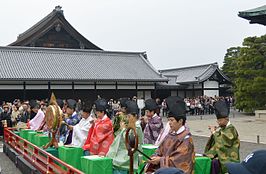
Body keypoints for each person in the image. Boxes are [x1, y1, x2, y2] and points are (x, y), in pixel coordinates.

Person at [147, 96, 194, 174]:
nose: (169, 123)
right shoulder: (170, 134)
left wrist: (160, 160)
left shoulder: (186, 138)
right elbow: (160, 150)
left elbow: (179, 161)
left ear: (180, 121)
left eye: (172, 120)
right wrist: (154, 157)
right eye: (168, 120)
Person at [107, 100, 143, 174]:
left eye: (129, 116)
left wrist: (123, 129)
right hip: (120, 158)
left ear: (135, 116)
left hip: (126, 161)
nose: (127, 118)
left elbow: (130, 142)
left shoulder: (137, 127)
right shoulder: (129, 125)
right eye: (127, 116)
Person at [204, 100, 240, 174]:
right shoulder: (223, 128)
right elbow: (219, 137)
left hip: (230, 158)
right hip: (223, 157)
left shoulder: (231, 129)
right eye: (217, 120)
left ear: (226, 119)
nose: (218, 122)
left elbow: (224, 141)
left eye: (220, 120)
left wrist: (214, 132)